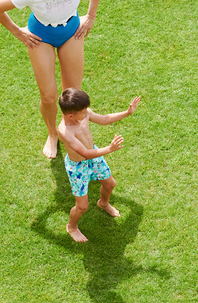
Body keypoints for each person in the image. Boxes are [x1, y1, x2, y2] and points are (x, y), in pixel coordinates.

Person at [0, 0, 105, 159]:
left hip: (71, 31)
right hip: (40, 36)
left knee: (73, 93)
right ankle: (53, 134)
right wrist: (18, 32)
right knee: (49, 96)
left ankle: (68, 129)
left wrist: (91, 16)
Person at [57, 88, 140, 243]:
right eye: (83, 112)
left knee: (110, 184)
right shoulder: (65, 131)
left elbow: (105, 119)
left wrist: (127, 112)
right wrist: (109, 149)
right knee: (82, 206)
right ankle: (72, 227)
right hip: (78, 167)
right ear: (70, 115)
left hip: (94, 156)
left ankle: (103, 203)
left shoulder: (83, 113)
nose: (86, 113)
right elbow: (84, 153)